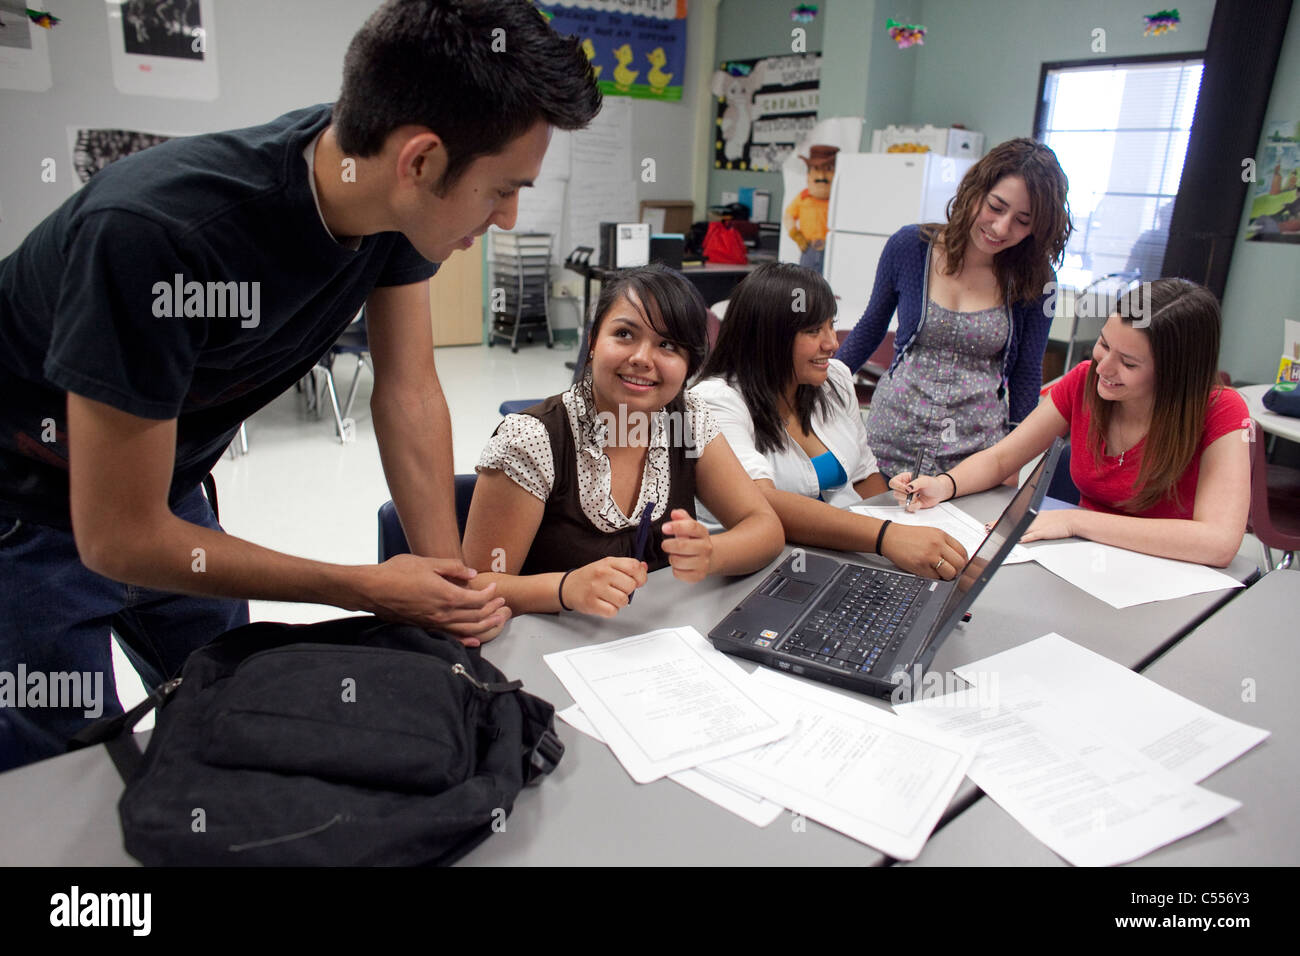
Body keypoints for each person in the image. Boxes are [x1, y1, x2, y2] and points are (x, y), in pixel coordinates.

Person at [0, 0, 601, 769]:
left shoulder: (388, 197)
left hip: (170, 487)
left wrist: (447, 590)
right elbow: (117, 534)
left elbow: (408, 393)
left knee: (223, 705)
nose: (510, 219)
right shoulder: (154, 234)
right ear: (419, 162)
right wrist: (365, 586)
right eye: (502, 190)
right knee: (58, 766)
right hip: (26, 508)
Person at [462, 265, 784, 618]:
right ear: (592, 342)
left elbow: (764, 527)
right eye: (624, 334)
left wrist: (712, 553)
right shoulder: (531, 439)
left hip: (658, 645)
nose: (642, 359)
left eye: (667, 345)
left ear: (690, 364)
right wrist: (564, 588)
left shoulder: (685, 419)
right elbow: (478, 586)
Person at [893, 278, 1250, 568]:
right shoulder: (1085, 381)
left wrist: (1074, 521)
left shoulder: (1221, 410)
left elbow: (1217, 543)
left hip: (1168, 573)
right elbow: (1002, 459)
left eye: (1128, 362)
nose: (1104, 367)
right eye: (1103, 344)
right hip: (1082, 562)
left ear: (1175, 373)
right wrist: (944, 485)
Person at [692, 263, 967, 580]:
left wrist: (901, 518)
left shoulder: (833, 379)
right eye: (813, 331)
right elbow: (758, 501)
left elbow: (864, 476)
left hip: (842, 558)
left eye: (831, 326)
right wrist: (887, 536)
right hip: (761, 574)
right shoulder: (715, 400)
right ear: (767, 335)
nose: (832, 343)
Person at [835, 138, 1074, 479]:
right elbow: (871, 327)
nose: (1002, 227)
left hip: (975, 457)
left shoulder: (1037, 280)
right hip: (890, 440)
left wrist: (1013, 462)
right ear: (974, 191)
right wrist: (820, 387)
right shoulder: (910, 248)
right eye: (996, 206)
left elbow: (1026, 372)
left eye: (1023, 220)